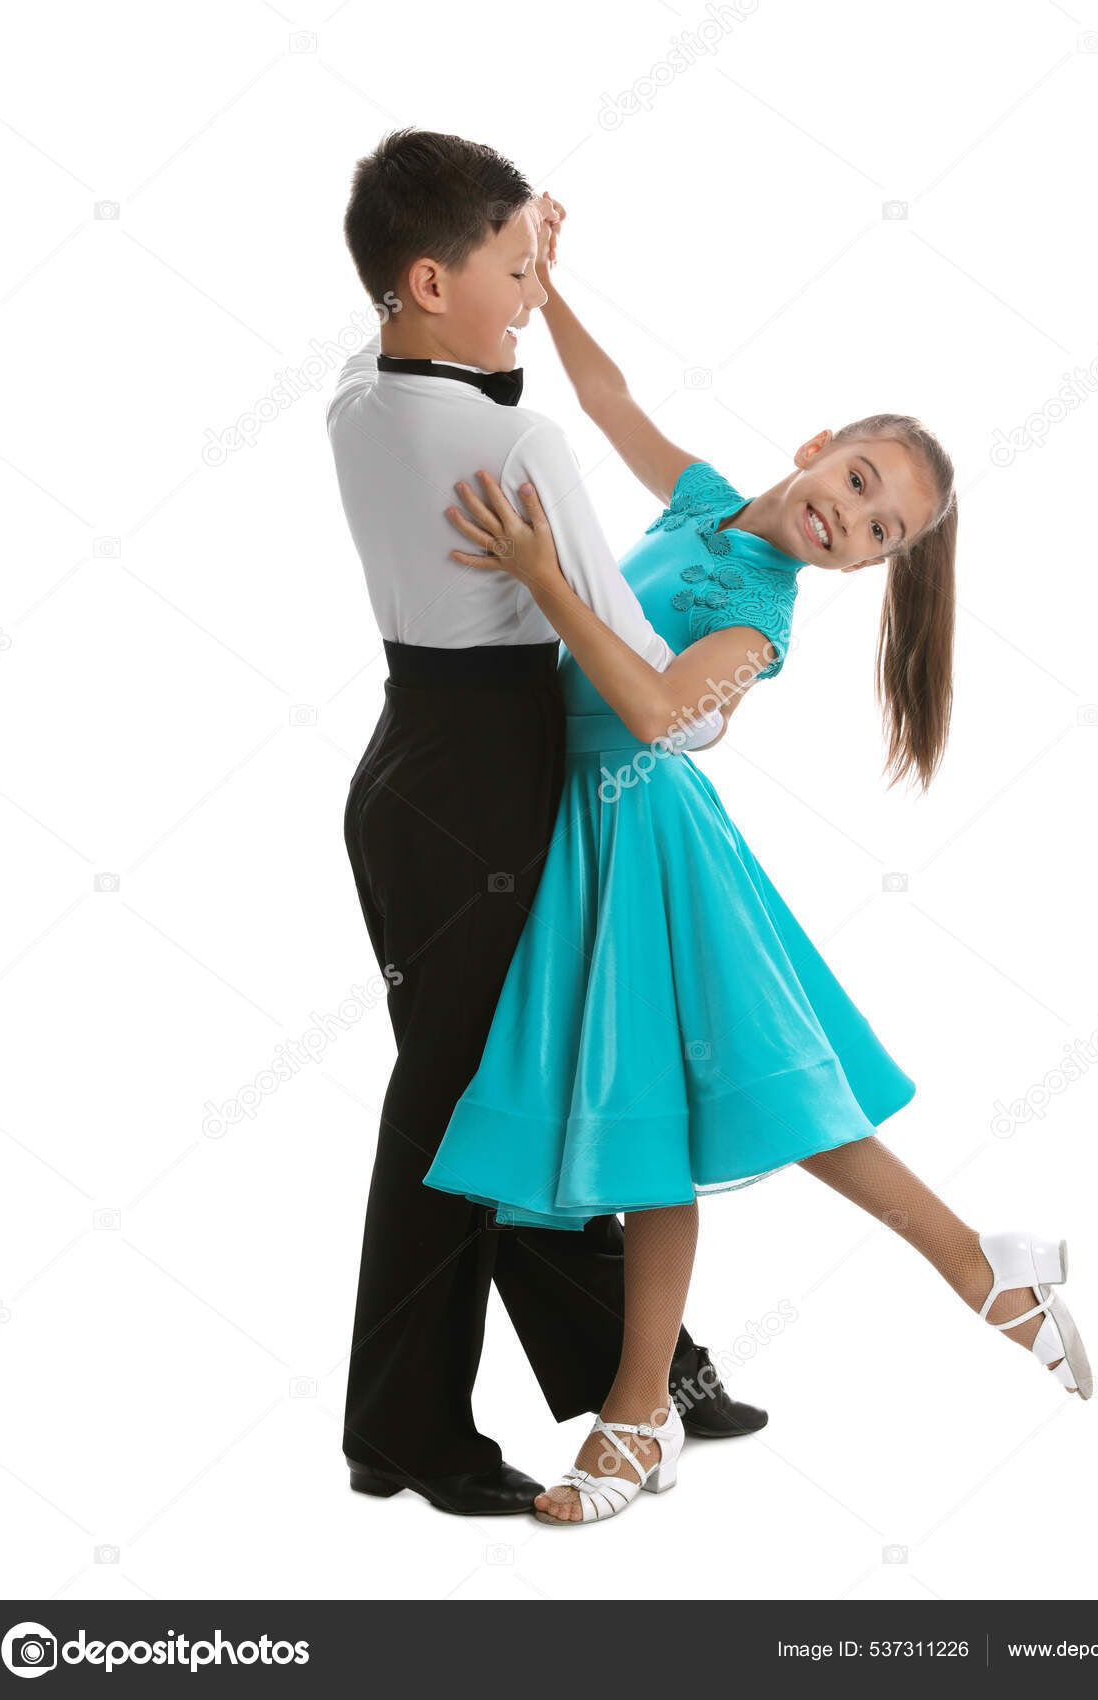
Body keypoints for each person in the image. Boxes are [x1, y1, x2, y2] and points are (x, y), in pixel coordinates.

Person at [424, 202, 1094, 1524]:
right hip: (580, 839)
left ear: (875, 565)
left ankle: (640, 1420)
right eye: (855, 481)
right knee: (742, 1122)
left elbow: (657, 706)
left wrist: (545, 575)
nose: (849, 519)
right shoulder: (708, 502)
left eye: (880, 530)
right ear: (817, 447)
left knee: (692, 1130)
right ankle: (979, 1270)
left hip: (646, 852)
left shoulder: (758, 618)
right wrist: (548, 292)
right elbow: (610, 402)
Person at [326, 130, 764, 1519]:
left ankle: (635, 1367)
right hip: (491, 798)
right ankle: (410, 1431)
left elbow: (459, 366)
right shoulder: (521, 442)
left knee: (503, 1088)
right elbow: (650, 683)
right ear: (428, 277)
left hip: (412, 778)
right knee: (474, 1110)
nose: (532, 292)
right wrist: (730, 685)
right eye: (515, 270)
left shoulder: (357, 395)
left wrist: (518, 262)